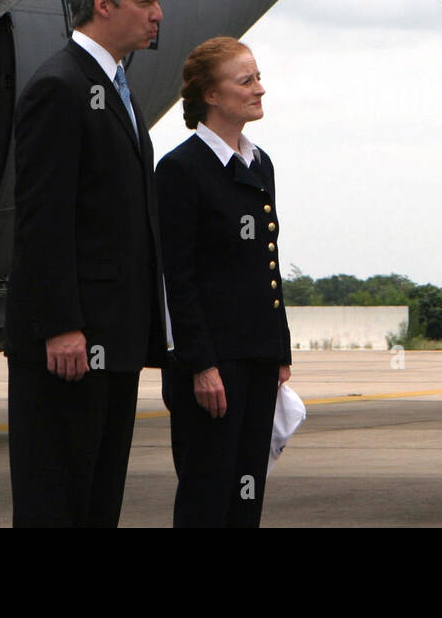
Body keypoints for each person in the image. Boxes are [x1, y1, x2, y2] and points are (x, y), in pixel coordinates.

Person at [5, 0, 168, 527]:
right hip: (69, 347)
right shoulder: (60, 86)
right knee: (58, 505)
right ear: (103, 4)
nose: (158, 15)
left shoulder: (116, 90)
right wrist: (61, 325)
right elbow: (43, 219)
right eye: (146, 1)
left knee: (98, 506)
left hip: (112, 343)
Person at [156, 37, 292, 527]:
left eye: (257, 78)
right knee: (206, 495)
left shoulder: (259, 162)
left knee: (246, 495)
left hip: (256, 355)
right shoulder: (180, 169)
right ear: (212, 96)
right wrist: (200, 365)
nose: (259, 89)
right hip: (212, 362)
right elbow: (177, 276)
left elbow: (265, 265)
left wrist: (280, 351)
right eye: (246, 80)